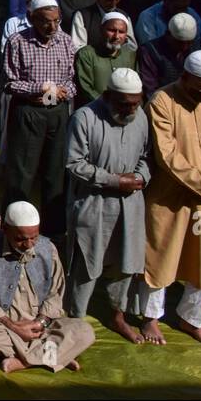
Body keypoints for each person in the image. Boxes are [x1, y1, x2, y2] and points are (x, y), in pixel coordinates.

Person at [140, 50, 201, 345]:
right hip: (169, 196)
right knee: (160, 256)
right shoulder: (162, 102)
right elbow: (167, 154)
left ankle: (192, 320)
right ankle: (150, 318)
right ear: (184, 78)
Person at [66, 68, 150, 342]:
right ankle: (75, 320)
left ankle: (118, 316)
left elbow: (147, 157)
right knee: (87, 264)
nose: (129, 110)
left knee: (125, 263)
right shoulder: (85, 117)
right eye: (123, 104)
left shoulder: (141, 118)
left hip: (130, 205)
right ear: (106, 96)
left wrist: (139, 177)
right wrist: (114, 181)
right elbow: (74, 164)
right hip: (94, 202)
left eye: (135, 104)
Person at [0, 201, 95, 373]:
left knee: (85, 331)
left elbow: (55, 293)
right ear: (5, 229)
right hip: (3, 324)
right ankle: (55, 355)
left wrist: (40, 321)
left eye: (34, 237)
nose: (29, 245)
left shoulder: (47, 247)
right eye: (20, 239)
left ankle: (24, 362)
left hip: (41, 326)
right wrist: (13, 326)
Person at [2, 0, 76, 234]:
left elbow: (72, 81)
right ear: (31, 18)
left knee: (55, 174)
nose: (52, 26)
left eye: (56, 20)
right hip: (28, 112)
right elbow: (10, 82)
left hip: (56, 112)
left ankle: (53, 233)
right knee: (21, 174)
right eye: (45, 21)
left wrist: (59, 91)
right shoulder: (17, 41)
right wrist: (41, 88)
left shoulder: (65, 41)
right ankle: (13, 228)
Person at [73, 11, 137, 104]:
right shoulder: (86, 54)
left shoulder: (130, 55)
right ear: (101, 29)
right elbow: (86, 88)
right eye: (112, 30)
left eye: (121, 32)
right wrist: (108, 105)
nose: (116, 36)